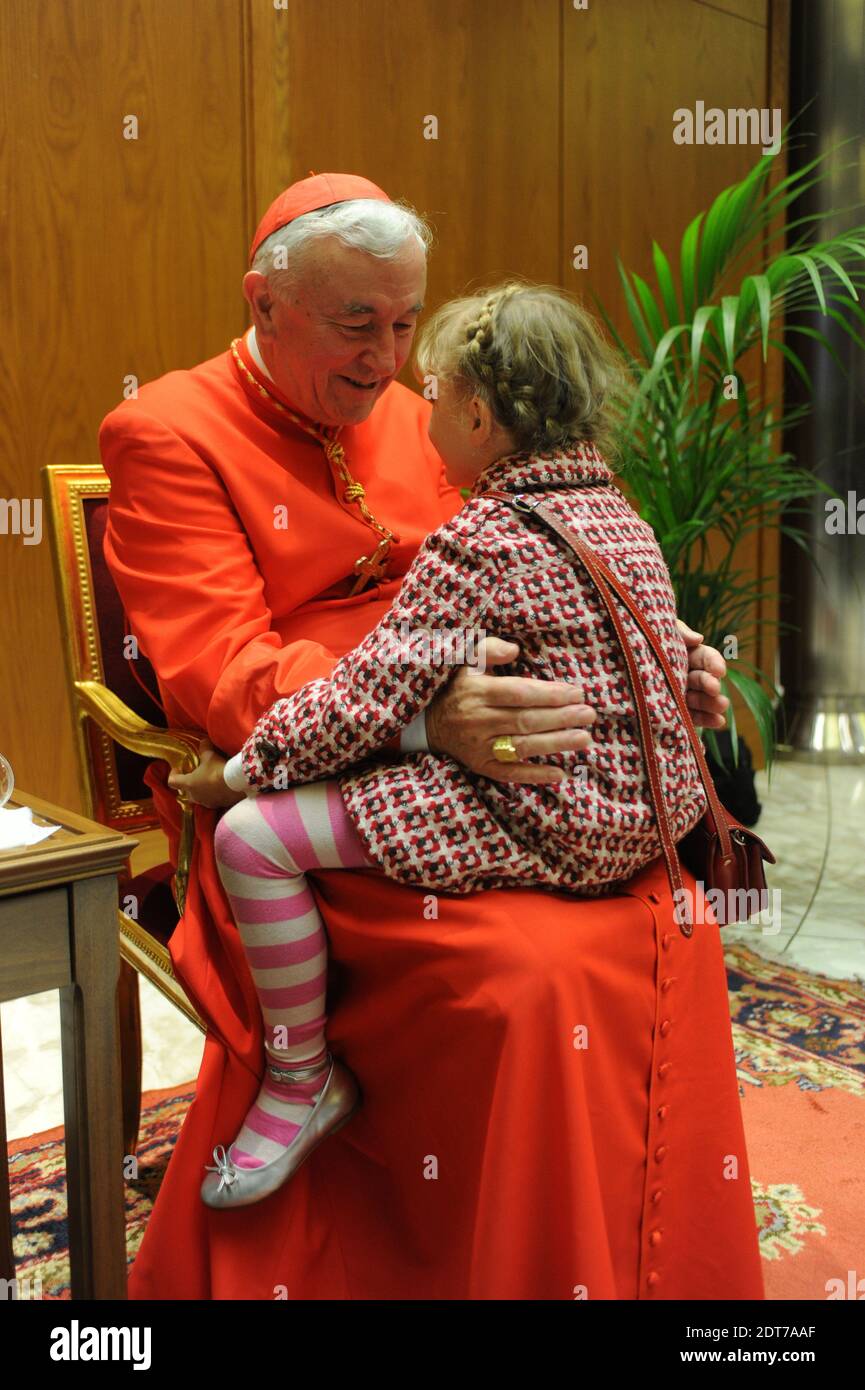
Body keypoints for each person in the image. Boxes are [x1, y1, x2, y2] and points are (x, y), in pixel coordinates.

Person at [100, 173, 762, 1299]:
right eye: (356, 323)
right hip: (317, 776)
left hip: (509, 770)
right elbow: (225, 675)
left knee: (674, 909)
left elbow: (554, 568)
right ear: (266, 303)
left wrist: (661, 649)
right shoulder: (164, 429)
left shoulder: (428, 414)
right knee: (529, 971)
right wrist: (423, 721)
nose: (387, 359)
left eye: (406, 323)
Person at [169, 279, 712, 1214]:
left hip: (554, 822)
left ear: (472, 412)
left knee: (250, 839)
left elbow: (362, 698)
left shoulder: (482, 535)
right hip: (650, 821)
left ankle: (301, 1080)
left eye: (430, 389)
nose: (414, 411)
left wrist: (242, 773)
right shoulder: (621, 515)